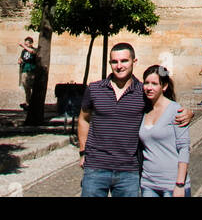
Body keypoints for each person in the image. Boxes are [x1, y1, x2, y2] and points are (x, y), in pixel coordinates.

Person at [77, 42, 193, 198]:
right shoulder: (95, 89)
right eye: (114, 61)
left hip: (129, 171)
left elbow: (164, 106)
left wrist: (189, 113)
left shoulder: (143, 91)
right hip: (96, 167)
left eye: (124, 60)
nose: (119, 66)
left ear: (134, 62)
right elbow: (84, 119)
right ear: (110, 63)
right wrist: (83, 152)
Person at [139, 65, 190, 198]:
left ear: (164, 86)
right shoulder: (143, 110)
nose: (149, 87)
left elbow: (184, 148)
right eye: (146, 83)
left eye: (154, 83)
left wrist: (179, 184)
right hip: (148, 184)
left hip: (172, 184)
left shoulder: (175, 110)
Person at [18, 37, 38, 109]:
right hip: (24, 70)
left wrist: (23, 46)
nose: (25, 45)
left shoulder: (34, 49)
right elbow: (21, 58)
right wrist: (20, 60)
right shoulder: (23, 51)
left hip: (31, 71)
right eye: (25, 44)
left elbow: (32, 52)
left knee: (32, 87)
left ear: (31, 44)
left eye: (27, 44)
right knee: (26, 88)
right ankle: (27, 103)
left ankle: (33, 103)